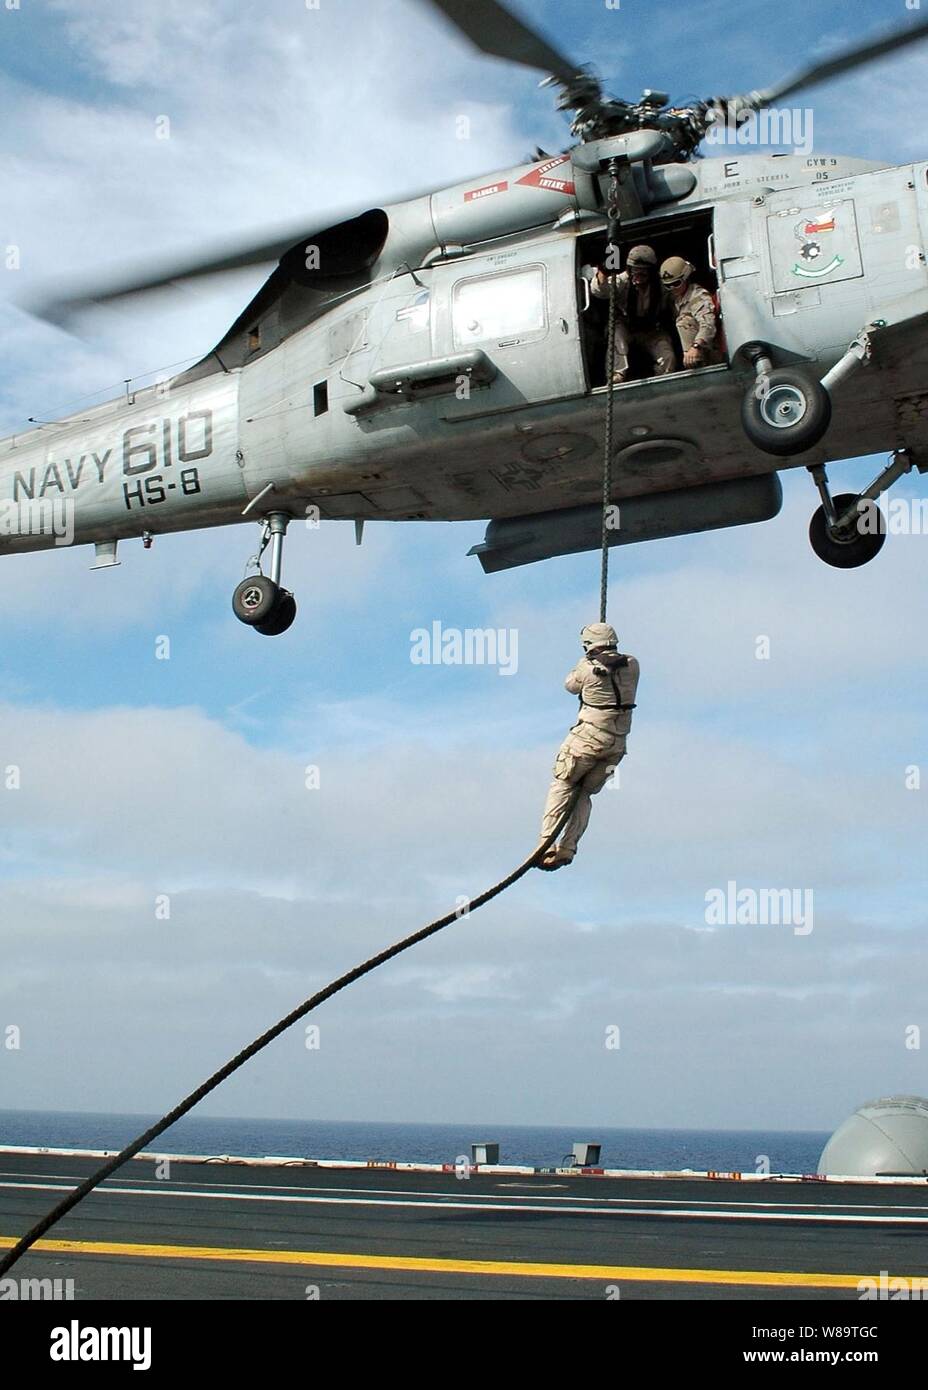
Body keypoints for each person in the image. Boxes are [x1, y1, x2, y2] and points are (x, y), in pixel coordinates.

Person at [537, 623, 640, 871]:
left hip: (587, 740)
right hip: (616, 744)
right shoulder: (633, 664)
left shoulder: (587, 669)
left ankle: (546, 845)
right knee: (584, 793)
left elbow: (570, 685)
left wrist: (584, 661)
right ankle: (567, 848)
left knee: (562, 784)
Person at [590, 245, 677, 383]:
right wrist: (603, 272)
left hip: (652, 330)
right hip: (626, 327)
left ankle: (663, 380)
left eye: (642, 274)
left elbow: (675, 301)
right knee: (616, 334)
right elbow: (601, 291)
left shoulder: (661, 285)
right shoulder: (624, 280)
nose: (637, 278)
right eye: (634, 273)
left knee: (668, 356)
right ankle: (617, 375)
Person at [659, 256, 718, 368]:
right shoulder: (672, 298)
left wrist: (696, 347)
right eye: (668, 286)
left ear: (685, 278)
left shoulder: (698, 296)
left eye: (676, 283)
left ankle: (696, 363)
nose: (672, 288)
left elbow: (708, 324)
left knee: (684, 321)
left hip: (706, 352)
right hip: (685, 352)